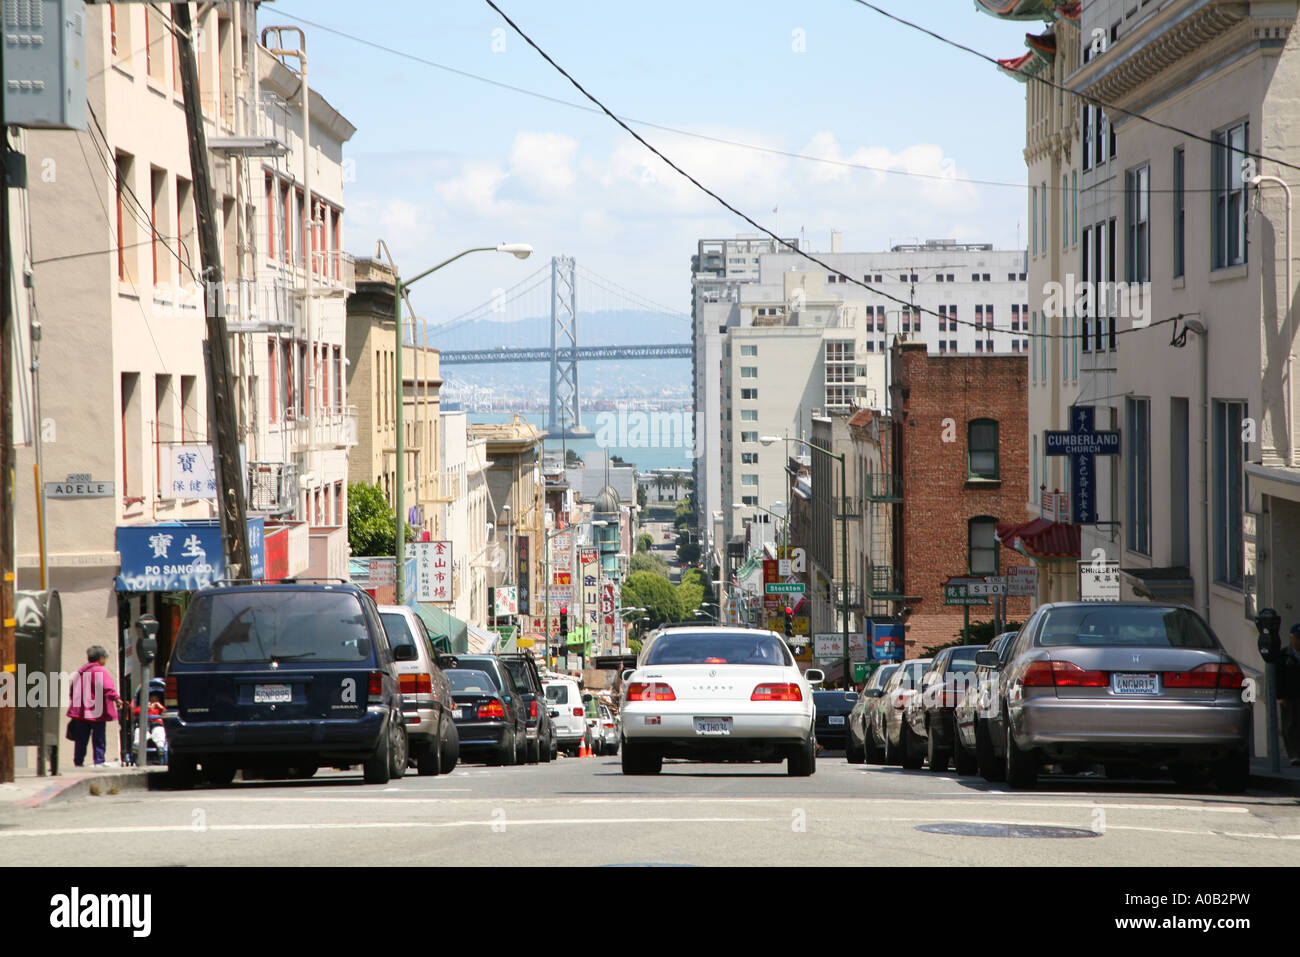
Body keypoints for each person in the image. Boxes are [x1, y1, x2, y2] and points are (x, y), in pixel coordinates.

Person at [66, 645, 125, 768]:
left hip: (81, 712)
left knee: (81, 739)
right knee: (99, 737)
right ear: (101, 658)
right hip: (97, 711)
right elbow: (108, 688)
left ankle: (78, 762)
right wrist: (117, 699)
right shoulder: (100, 671)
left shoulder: (81, 672)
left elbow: (72, 690)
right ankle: (99, 760)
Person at [1280, 624, 1300, 767]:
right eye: (1298, 638)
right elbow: (1278, 676)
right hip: (1290, 695)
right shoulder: (1284, 655)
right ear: (1291, 638)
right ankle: (1293, 754)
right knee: (1290, 724)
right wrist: (1282, 696)